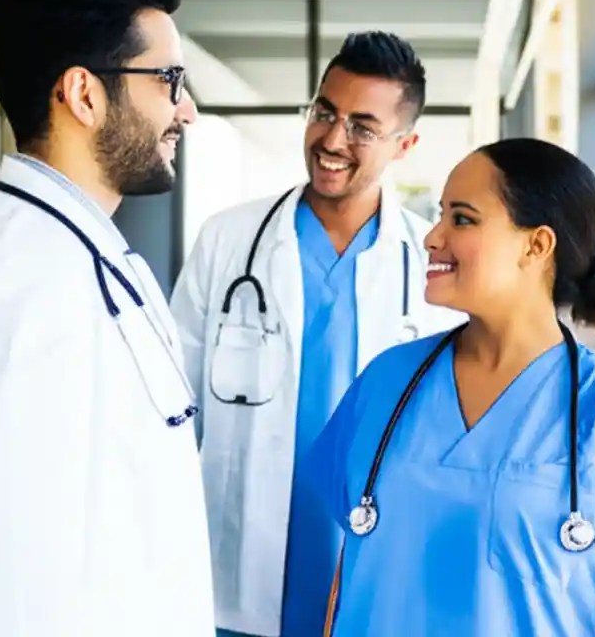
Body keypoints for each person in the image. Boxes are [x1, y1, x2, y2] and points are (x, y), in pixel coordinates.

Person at [0, 0, 214, 636]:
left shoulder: (75, 252)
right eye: (169, 80)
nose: (186, 110)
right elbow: (29, 591)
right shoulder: (25, 283)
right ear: (83, 94)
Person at [304, 137, 595, 636]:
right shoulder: (387, 384)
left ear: (536, 245)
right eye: (440, 215)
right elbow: (347, 581)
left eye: (462, 219)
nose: (432, 237)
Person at [169, 31, 464, 637]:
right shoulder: (228, 241)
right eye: (324, 113)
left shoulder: (430, 264)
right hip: (236, 585)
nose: (332, 140)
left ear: (405, 144)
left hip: (375, 586)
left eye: (363, 127)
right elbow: (173, 412)